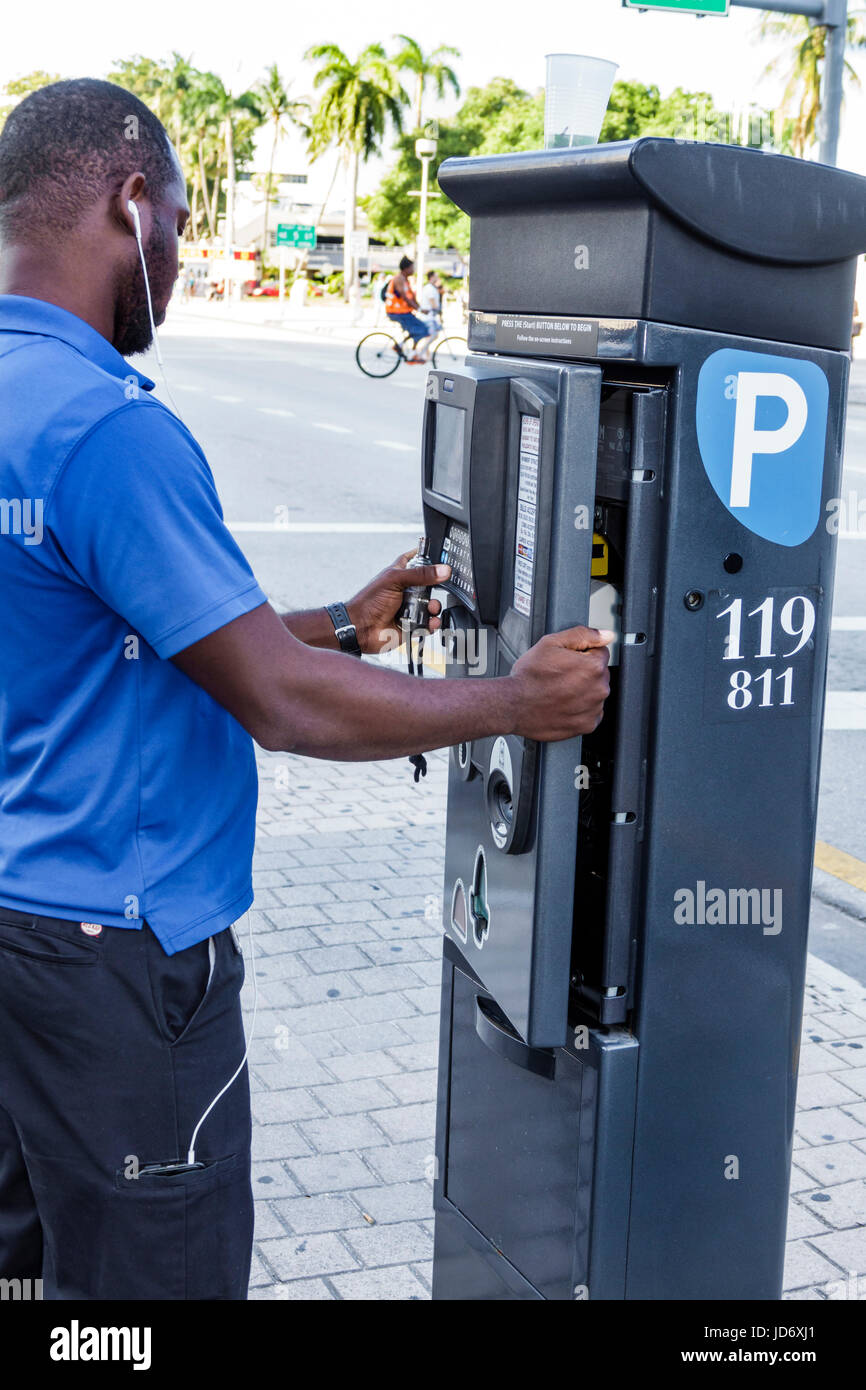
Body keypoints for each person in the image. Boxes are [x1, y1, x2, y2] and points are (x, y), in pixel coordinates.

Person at [0, 79, 612, 1300]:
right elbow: (276, 702)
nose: (173, 267)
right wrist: (515, 704)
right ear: (131, 205)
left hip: (16, 933)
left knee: (33, 1264)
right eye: (175, 225)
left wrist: (341, 621)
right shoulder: (107, 427)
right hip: (118, 961)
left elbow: (137, 631)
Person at [384, 255, 434, 363]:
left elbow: (412, 297)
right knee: (423, 329)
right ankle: (411, 354)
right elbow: (405, 298)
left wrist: (420, 308)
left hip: (404, 312)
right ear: (406, 268)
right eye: (412, 268)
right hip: (397, 312)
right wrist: (419, 310)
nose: (413, 270)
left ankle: (403, 348)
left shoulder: (406, 280)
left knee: (419, 329)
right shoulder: (398, 279)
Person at [418, 269, 444, 337]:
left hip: (430, 316)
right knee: (433, 335)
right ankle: (423, 348)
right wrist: (439, 310)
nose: (438, 278)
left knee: (432, 335)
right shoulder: (430, 288)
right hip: (428, 316)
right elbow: (433, 303)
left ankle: (425, 347)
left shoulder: (431, 287)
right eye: (436, 276)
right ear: (432, 277)